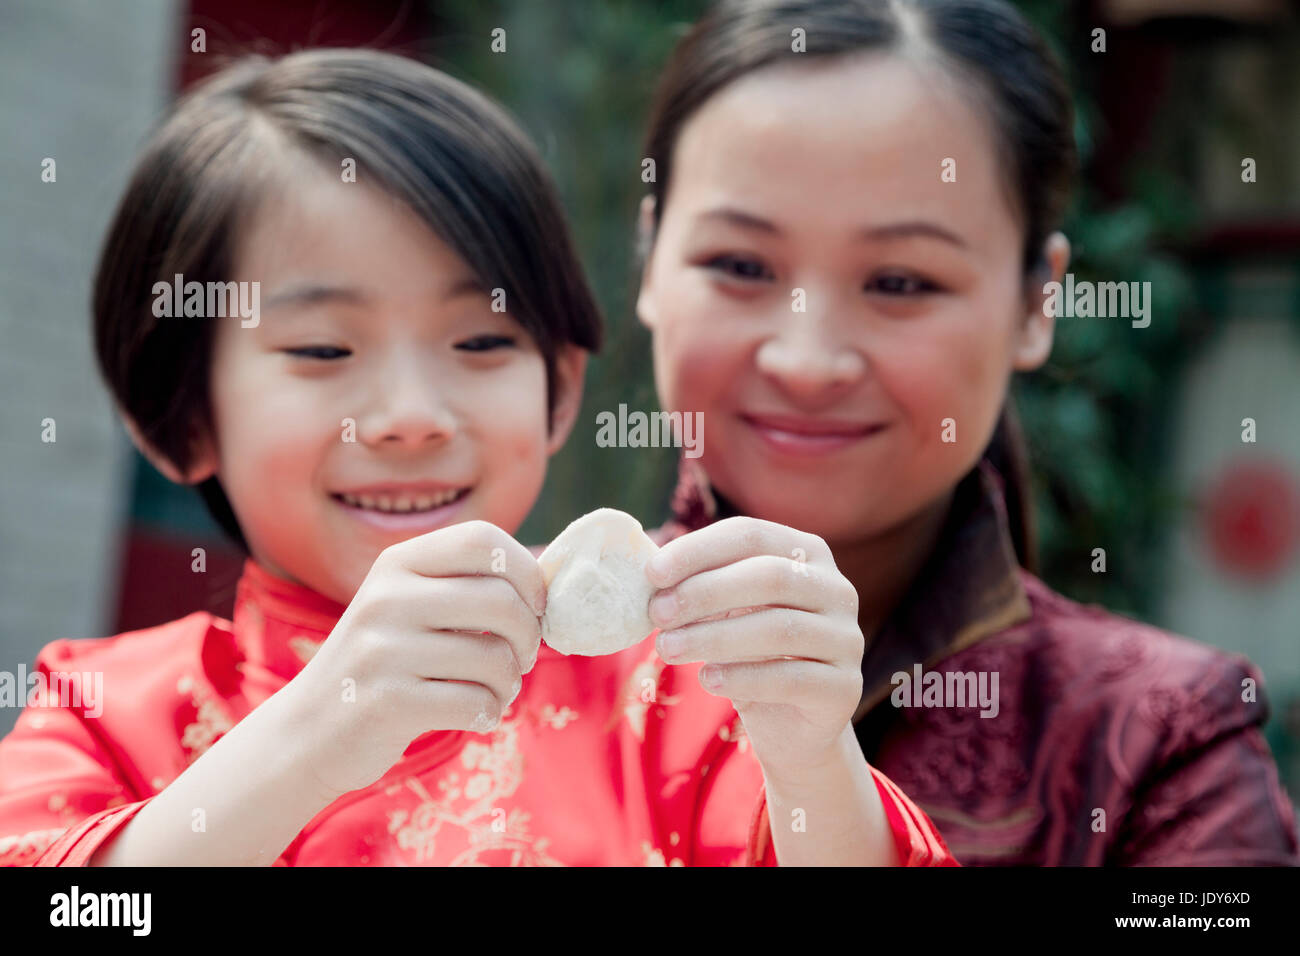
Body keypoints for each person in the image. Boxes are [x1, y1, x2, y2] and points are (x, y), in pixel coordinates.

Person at [0, 48, 953, 866]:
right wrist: (322, 732)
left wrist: (815, 754)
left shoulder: (678, 698)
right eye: (323, 351)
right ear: (181, 418)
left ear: (561, 390)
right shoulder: (102, 709)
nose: (413, 417)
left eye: (482, 344)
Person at [633, 0, 1300, 865]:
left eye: (901, 281)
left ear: (1035, 303)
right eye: (740, 266)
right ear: (649, 262)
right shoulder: (496, 675)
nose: (807, 360)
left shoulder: (1161, 751)